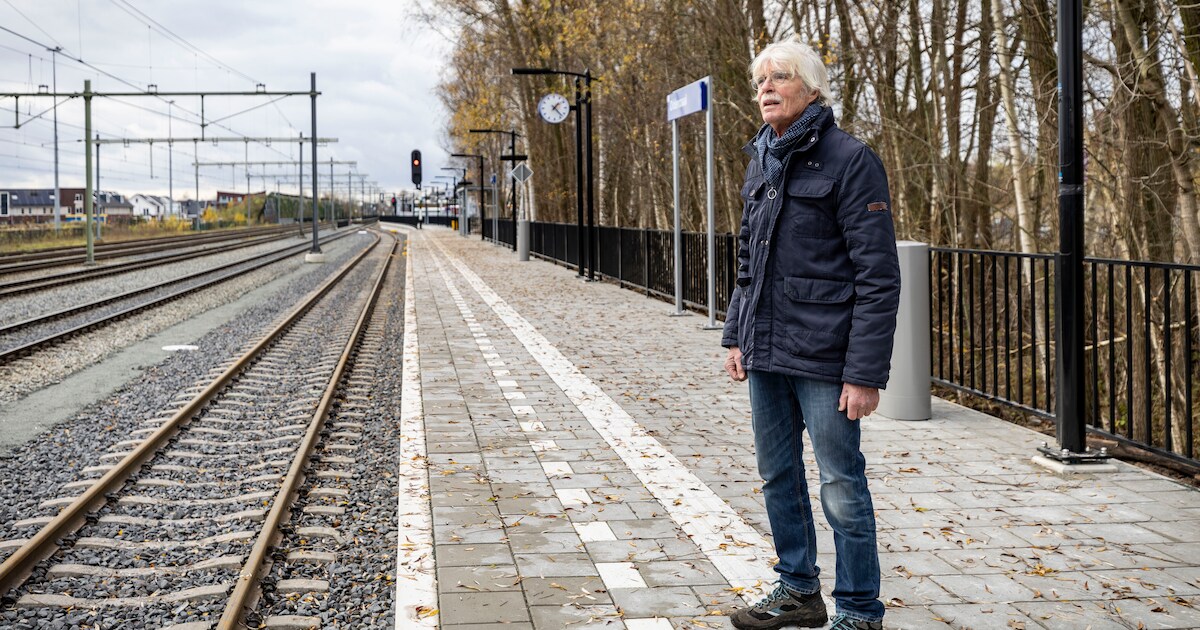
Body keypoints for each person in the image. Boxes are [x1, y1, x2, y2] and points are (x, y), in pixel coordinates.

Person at [722, 39, 900, 630]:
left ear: (812, 88)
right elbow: (749, 260)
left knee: (841, 486)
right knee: (778, 475)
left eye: (779, 77)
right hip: (767, 351)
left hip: (828, 358)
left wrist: (865, 374)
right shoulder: (762, 159)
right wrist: (735, 335)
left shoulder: (850, 159)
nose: (766, 88)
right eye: (760, 81)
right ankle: (798, 591)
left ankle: (858, 611)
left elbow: (878, 276)